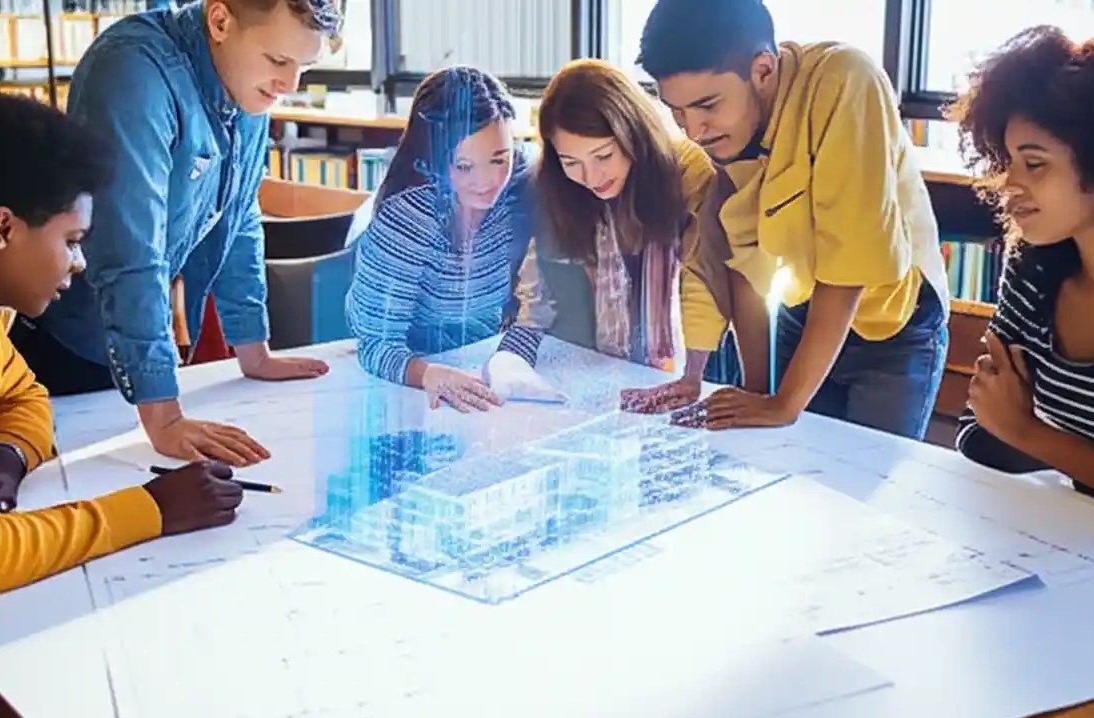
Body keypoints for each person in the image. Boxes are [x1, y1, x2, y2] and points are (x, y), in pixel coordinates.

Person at [0, 94, 245, 715]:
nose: (78, 265)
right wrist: (150, 508)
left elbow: (23, 393)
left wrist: (7, 453)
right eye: (72, 240)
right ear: (2, 228)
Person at [11, 0, 346, 468]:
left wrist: (253, 350)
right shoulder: (131, 72)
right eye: (278, 61)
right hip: (67, 354)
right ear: (220, 21)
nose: (290, 85)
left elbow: (238, 214)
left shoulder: (246, 79)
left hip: (143, 355)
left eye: (303, 67)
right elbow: (131, 248)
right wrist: (163, 413)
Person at [628, 0, 951, 441]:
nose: (693, 131)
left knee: (862, 483)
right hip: (805, 312)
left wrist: (782, 404)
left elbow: (849, 268)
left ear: (763, 70)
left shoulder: (845, 80)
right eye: (677, 111)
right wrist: (754, 392)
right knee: (787, 464)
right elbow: (744, 268)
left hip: (893, 325)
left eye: (707, 105)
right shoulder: (725, 132)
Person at [950, 26, 1094, 520]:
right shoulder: (1034, 269)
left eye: (1034, 163)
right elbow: (978, 427)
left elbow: (1006, 429)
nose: (1009, 184)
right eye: (1008, 161)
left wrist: (1029, 433)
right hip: (1076, 540)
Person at [491, 59, 743, 398]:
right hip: (607, 372)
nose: (591, 177)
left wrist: (692, 377)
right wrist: (509, 360)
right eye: (571, 162)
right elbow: (538, 288)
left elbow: (703, 274)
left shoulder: (688, 173)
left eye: (603, 155)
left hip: (698, 358)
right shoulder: (560, 189)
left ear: (633, 132)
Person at [345, 66, 535, 412]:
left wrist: (512, 359)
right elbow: (376, 345)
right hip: (405, 380)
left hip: (482, 364)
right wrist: (430, 375)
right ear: (433, 158)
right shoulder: (408, 218)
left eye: (499, 159)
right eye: (464, 166)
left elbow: (538, 306)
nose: (487, 181)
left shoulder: (522, 189)